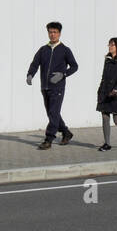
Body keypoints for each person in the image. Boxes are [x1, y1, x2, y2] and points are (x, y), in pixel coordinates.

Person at [26, 21, 79, 149]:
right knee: (52, 113)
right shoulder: (43, 50)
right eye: (50, 32)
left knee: (53, 112)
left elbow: (74, 66)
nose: (52, 34)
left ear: (59, 33)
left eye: (55, 32)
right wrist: (30, 74)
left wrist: (63, 74)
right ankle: (66, 133)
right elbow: (35, 63)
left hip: (58, 87)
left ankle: (48, 139)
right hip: (45, 87)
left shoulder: (65, 50)